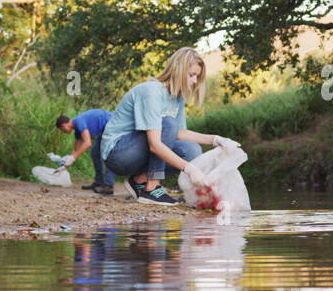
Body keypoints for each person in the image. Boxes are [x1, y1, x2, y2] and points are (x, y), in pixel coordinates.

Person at [101, 47, 241, 206]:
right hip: (119, 154)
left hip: (139, 153)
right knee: (167, 122)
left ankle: (140, 180)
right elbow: (155, 144)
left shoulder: (177, 97)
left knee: (192, 150)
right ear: (178, 71)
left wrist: (216, 139)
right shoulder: (151, 92)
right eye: (191, 75)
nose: (195, 81)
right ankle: (152, 187)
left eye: (197, 76)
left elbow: (179, 133)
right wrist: (190, 169)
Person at [55, 109, 116, 194]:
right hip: (105, 129)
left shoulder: (78, 122)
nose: (64, 132)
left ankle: (109, 186)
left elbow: (87, 143)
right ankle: (99, 182)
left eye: (62, 130)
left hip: (112, 125)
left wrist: (73, 157)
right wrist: (66, 162)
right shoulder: (77, 130)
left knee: (108, 153)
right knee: (95, 153)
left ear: (63, 125)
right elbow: (76, 150)